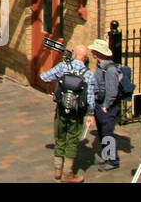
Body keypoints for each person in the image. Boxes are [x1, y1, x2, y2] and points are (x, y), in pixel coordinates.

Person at [39, 44, 97, 183]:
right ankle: (68, 173)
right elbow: (90, 97)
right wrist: (90, 114)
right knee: (72, 140)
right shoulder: (88, 74)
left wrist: (52, 85)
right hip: (77, 113)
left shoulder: (63, 67)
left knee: (59, 138)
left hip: (61, 110)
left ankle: (57, 170)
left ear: (74, 54)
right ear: (85, 58)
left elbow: (44, 76)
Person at [89, 38, 121, 172]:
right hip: (99, 103)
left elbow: (112, 90)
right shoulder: (101, 66)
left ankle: (112, 161)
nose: (92, 52)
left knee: (107, 132)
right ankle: (107, 156)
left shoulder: (110, 70)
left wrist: (106, 105)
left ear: (97, 53)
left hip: (106, 106)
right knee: (103, 132)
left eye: (94, 50)